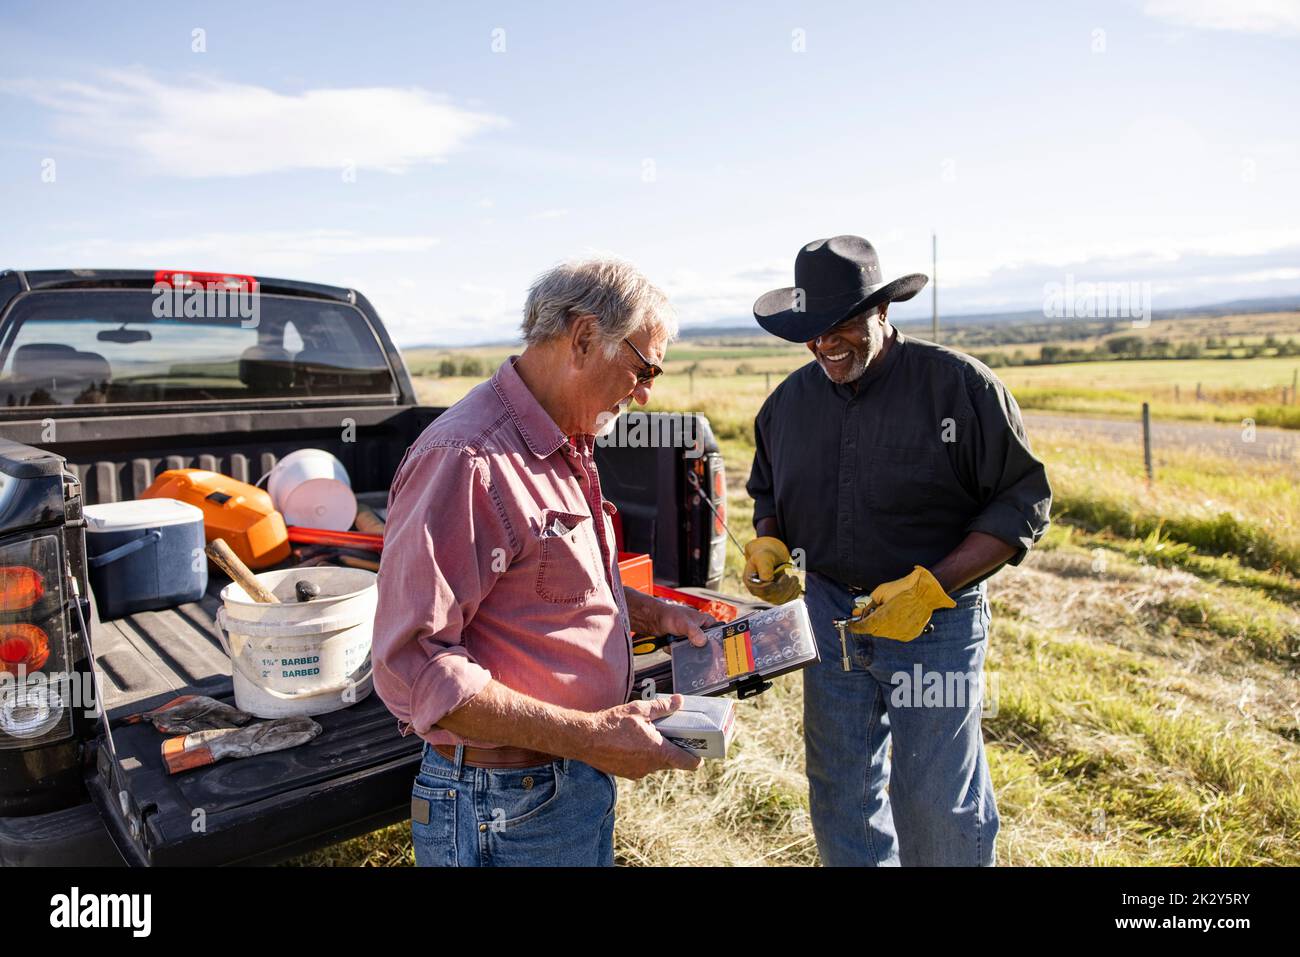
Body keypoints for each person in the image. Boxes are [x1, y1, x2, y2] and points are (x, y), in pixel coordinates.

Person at [373, 257, 713, 867]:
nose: (644, 392)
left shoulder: (564, 437)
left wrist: (653, 615)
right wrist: (591, 737)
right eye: (644, 368)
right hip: (502, 804)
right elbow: (416, 668)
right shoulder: (467, 458)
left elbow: (541, 582)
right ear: (583, 338)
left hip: (557, 784)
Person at [743, 235, 1052, 866]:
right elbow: (768, 490)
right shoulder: (785, 407)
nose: (826, 344)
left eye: (842, 326)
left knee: (936, 801)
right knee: (840, 794)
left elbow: (1021, 503)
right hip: (831, 622)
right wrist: (771, 542)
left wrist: (929, 587)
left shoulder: (960, 388)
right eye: (813, 332)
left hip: (936, 623)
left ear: (882, 311)